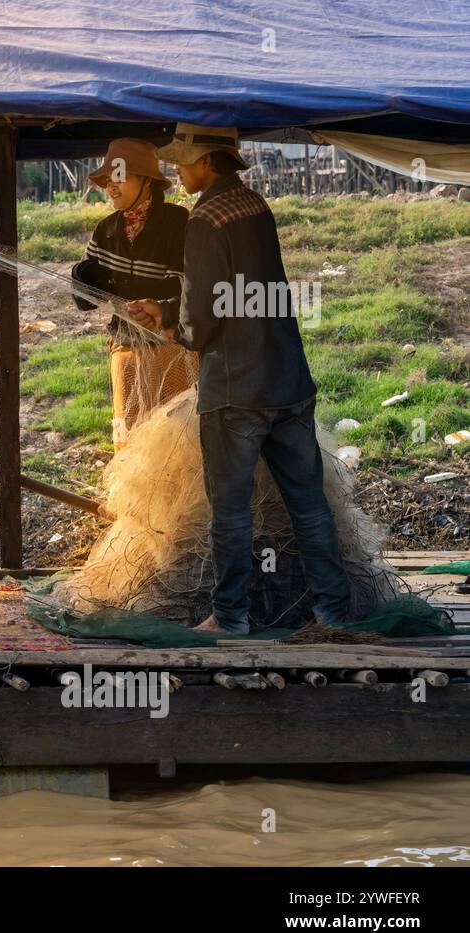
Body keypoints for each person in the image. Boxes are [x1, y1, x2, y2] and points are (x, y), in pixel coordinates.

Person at [126, 123, 352, 634]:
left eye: (183, 161)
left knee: (230, 513)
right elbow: (247, 294)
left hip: (235, 393)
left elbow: (204, 317)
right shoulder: (254, 206)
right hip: (287, 381)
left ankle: (230, 618)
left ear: (207, 162)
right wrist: (166, 310)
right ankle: (333, 612)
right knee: (309, 506)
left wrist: (174, 326)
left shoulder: (205, 219)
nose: (176, 169)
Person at [71, 138, 197, 450]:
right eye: (107, 181)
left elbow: (184, 286)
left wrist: (121, 290)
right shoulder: (106, 230)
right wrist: (83, 279)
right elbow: (85, 300)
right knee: (128, 438)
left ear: (146, 181)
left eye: (119, 178)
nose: (110, 188)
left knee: (176, 440)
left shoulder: (176, 223)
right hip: (125, 348)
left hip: (171, 349)